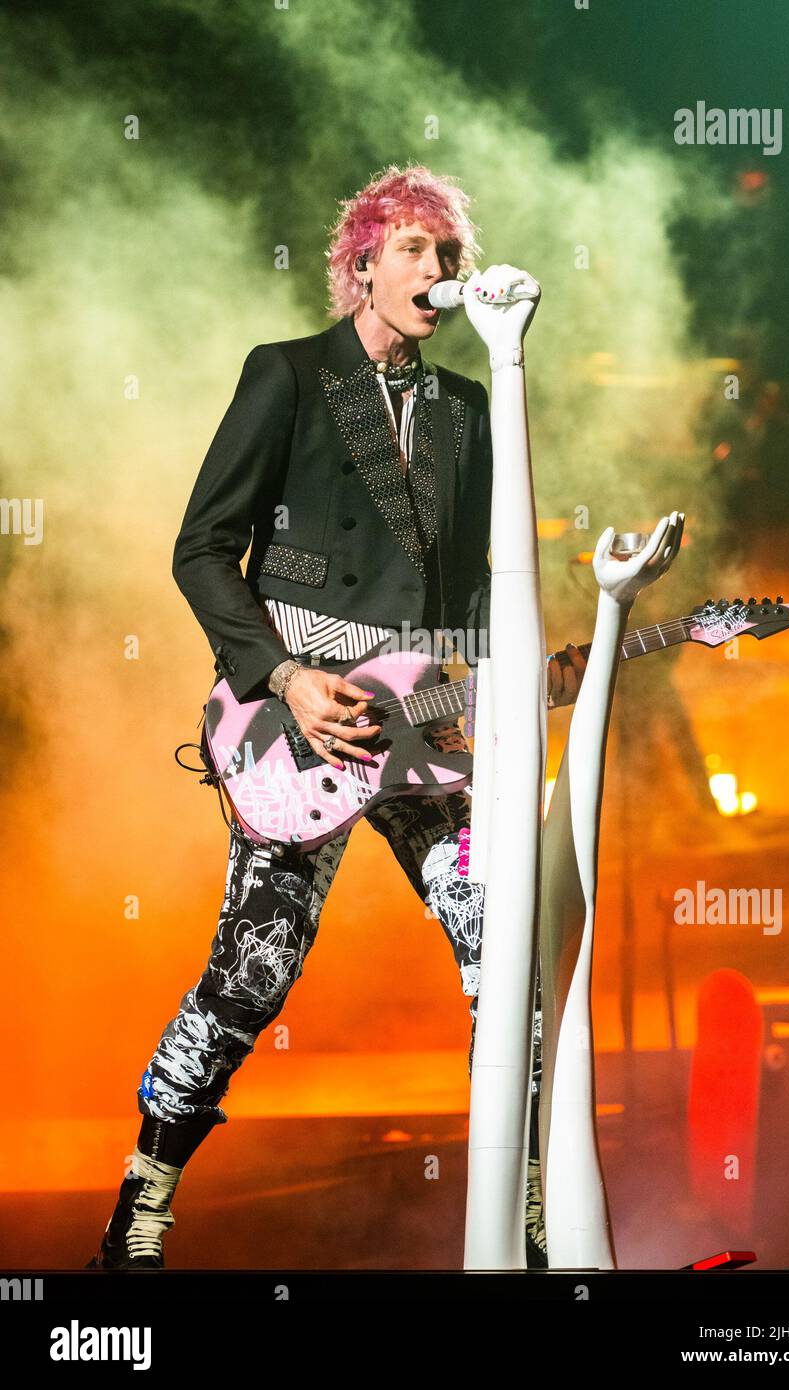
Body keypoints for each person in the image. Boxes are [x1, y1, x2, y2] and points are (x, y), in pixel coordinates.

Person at [88, 164, 581, 1273]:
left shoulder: (466, 406)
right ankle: (140, 1210)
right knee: (249, 979)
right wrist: (284, 676)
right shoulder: (290, 377)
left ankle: (531, 1211)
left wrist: (494, 688)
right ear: (360, 267)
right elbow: (200, 549)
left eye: (446, 252)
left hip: (423, 732)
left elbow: (469, 587)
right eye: (412, 249)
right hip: (298, 732)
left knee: (509, 954)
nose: (437, 269)